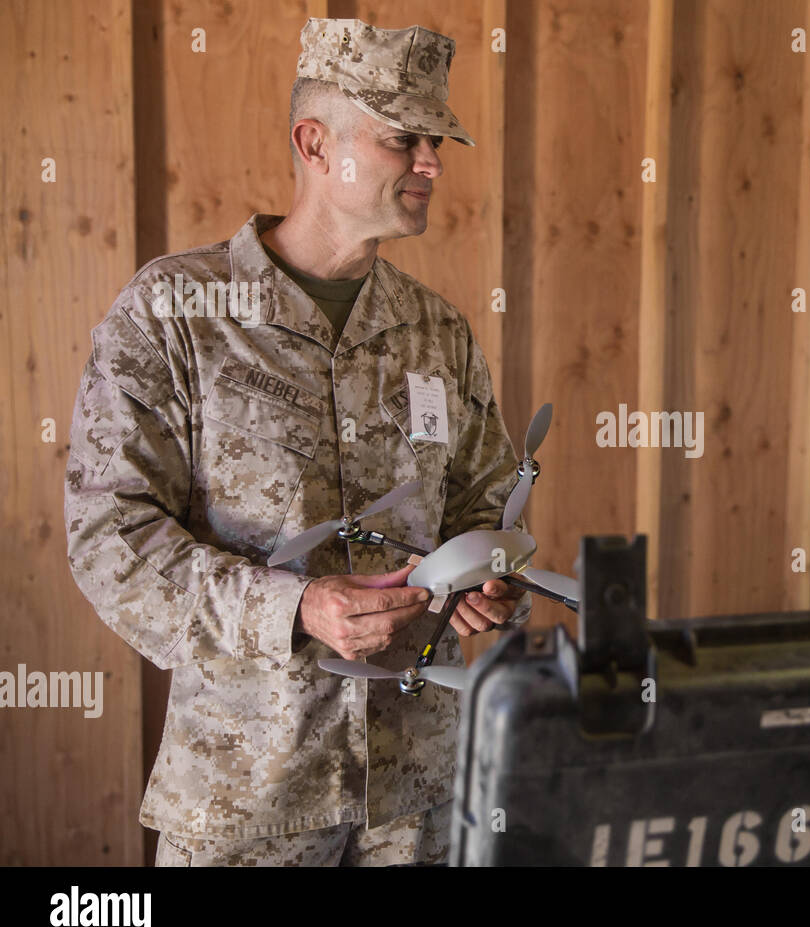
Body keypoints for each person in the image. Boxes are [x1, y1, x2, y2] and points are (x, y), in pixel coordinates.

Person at [64, 17, 527, 866]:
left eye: (436, 143)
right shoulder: (175, 315)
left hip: (418, 797)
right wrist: (298, 609)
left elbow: (485, 501)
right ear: (314, 144)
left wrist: (487, 579)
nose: (431, 163)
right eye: (404, 139)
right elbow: (110, 538)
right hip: (248, 797)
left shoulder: (436, 331)